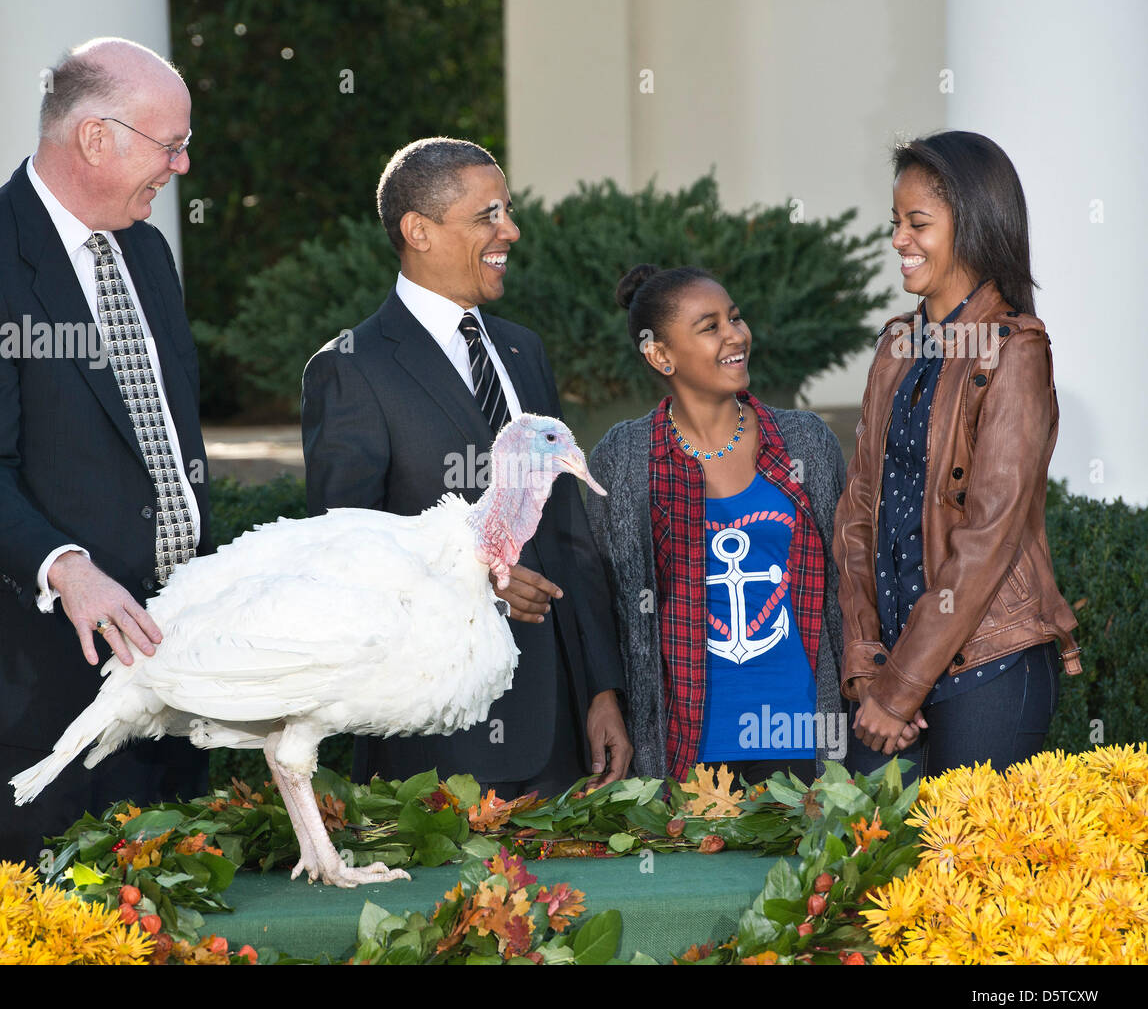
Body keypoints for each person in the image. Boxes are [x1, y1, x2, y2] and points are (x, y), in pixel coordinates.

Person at [0, 38, 211, 865]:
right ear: (96, 138)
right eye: (170, 144)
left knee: (194, 931)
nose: (182, 165)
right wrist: (68, 567)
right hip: (49, 690)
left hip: (177, 671)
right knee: (70, 934)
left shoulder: (145, 249)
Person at [301, 136, 630, 798]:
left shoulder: (523, 351)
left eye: (506, 210)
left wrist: (601, 688)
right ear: (417, 231)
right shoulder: (349, 367)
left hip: (563, 734)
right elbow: (348, 554)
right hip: (438, 747)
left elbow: (570, 531)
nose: (510, 229)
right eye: (488, 215)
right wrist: (481, 578)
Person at [835, 130, 1082, 781]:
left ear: (972, 225)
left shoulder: (1015, 350)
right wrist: (866, 659)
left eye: (918, 223)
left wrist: (900, 685)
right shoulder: (895, 350)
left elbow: (988, 537)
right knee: (863, 869)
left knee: (968, 870)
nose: (898, 241)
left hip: (988, 671)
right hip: (891, 678)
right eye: (895, 223)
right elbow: (857, 510)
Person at [586, 265, 848, 785]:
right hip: (682, 746)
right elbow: (598, 600)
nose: (736, 335)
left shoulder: (805, 442)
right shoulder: (622, 458)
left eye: (736, 317)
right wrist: (602, 700)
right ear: (660, 354)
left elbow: (849, 578)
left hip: (797, 735)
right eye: (710, 327)